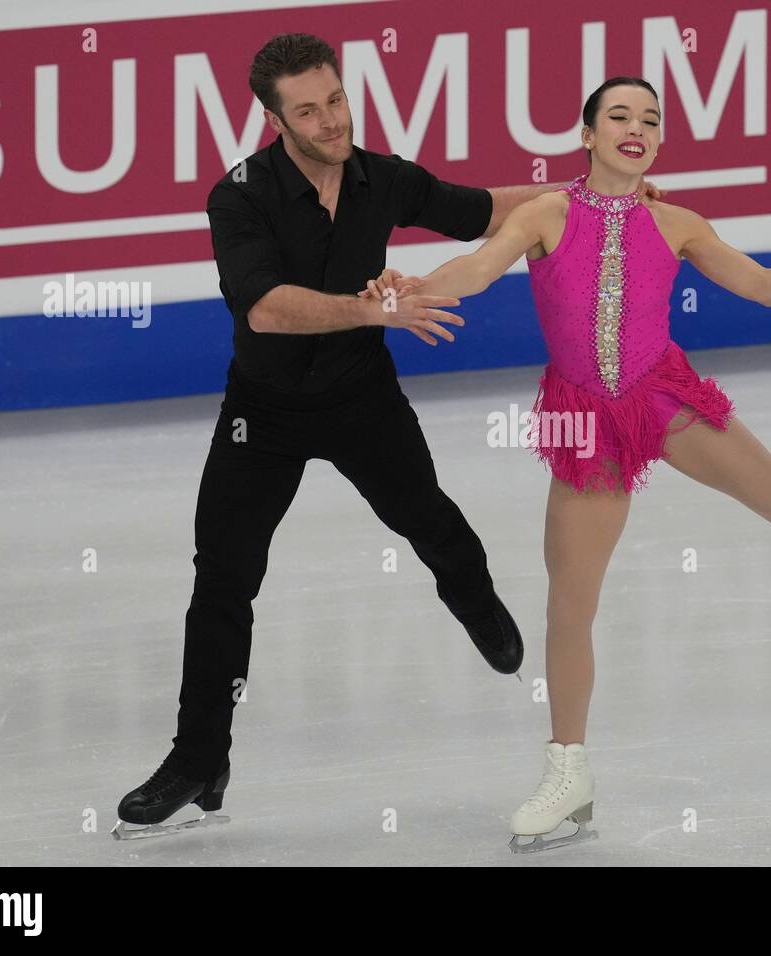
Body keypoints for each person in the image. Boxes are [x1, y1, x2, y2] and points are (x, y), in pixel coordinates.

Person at [359, 76, 771, 853]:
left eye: (651, 120)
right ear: (587, 134)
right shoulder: (544, 214)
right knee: (571, 601)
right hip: (586, 419)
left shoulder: (679, 222)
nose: (637, 129)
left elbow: (762, 288)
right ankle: (570, 770)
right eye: (619, 117)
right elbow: (481, 266)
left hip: (663, 395)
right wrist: (411, 288)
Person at [111, 35, 651, 839]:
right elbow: (261, 306)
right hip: (263, 411)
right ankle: (198, 760)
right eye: (307, 109)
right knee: (222, 579)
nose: (330, 120)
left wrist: (595, 190)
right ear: (273, 117)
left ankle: (472, 596)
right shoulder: (241, 196)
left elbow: (484, 208)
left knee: (429, 519)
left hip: (362, 398)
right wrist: (372, 309)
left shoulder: (380, 177)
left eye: (335, 99)